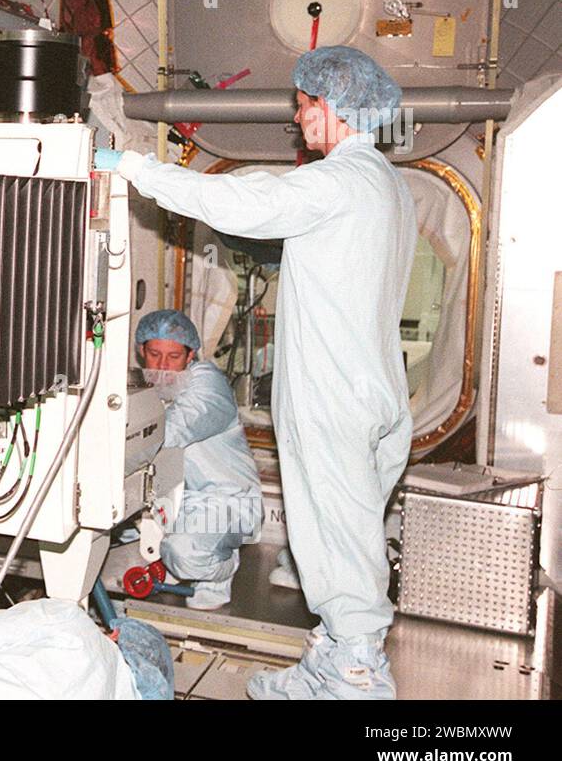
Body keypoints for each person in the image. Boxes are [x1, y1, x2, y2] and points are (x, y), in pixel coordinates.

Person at [97, 45, 415, 700]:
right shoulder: (390, 185)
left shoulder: (337, 181)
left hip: (333, 394)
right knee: (353, 532)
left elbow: (240, 199)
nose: (297, 118)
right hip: (377, 389)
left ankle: (355, 673)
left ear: (336, 104)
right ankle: (336, 655)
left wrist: (132, 165)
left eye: (304, 104)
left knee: (336, 533)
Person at [135, 309, 262, 610]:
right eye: (154, 354)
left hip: (227, 501)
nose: (162, 366)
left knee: (185, 556)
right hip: (175, 500)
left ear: (191, 354)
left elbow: (173, 430)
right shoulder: (148, 386)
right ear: (141, 351)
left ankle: (222, 569)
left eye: (174, 356)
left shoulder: (208, 385)